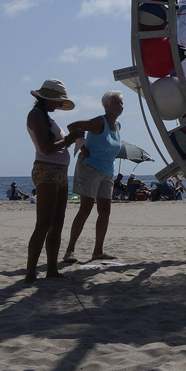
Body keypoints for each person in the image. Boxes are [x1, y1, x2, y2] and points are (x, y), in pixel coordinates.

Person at [24, 79, 82, 284]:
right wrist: (70, 139)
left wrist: (69, 140)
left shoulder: (45, 116)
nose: (58, 105)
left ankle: (51, 269)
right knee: (43, 224)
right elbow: (47, 148)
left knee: (57, 223)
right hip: (47, 170)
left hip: (59, 172)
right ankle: (30, 273)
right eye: (57, 101)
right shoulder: (36, 115)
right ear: (47, 99)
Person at [63, 90, 124, 263]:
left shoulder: (118, 126)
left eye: (121, 103)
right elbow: (72, 127)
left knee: (105, 211)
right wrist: (82, 148)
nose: (120, 106)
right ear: (107, 105)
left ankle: (98, 251)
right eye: (116, 102)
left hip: (107, 171)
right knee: (86, 208)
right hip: (90, 168)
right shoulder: (98, 122)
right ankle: (70, 250)